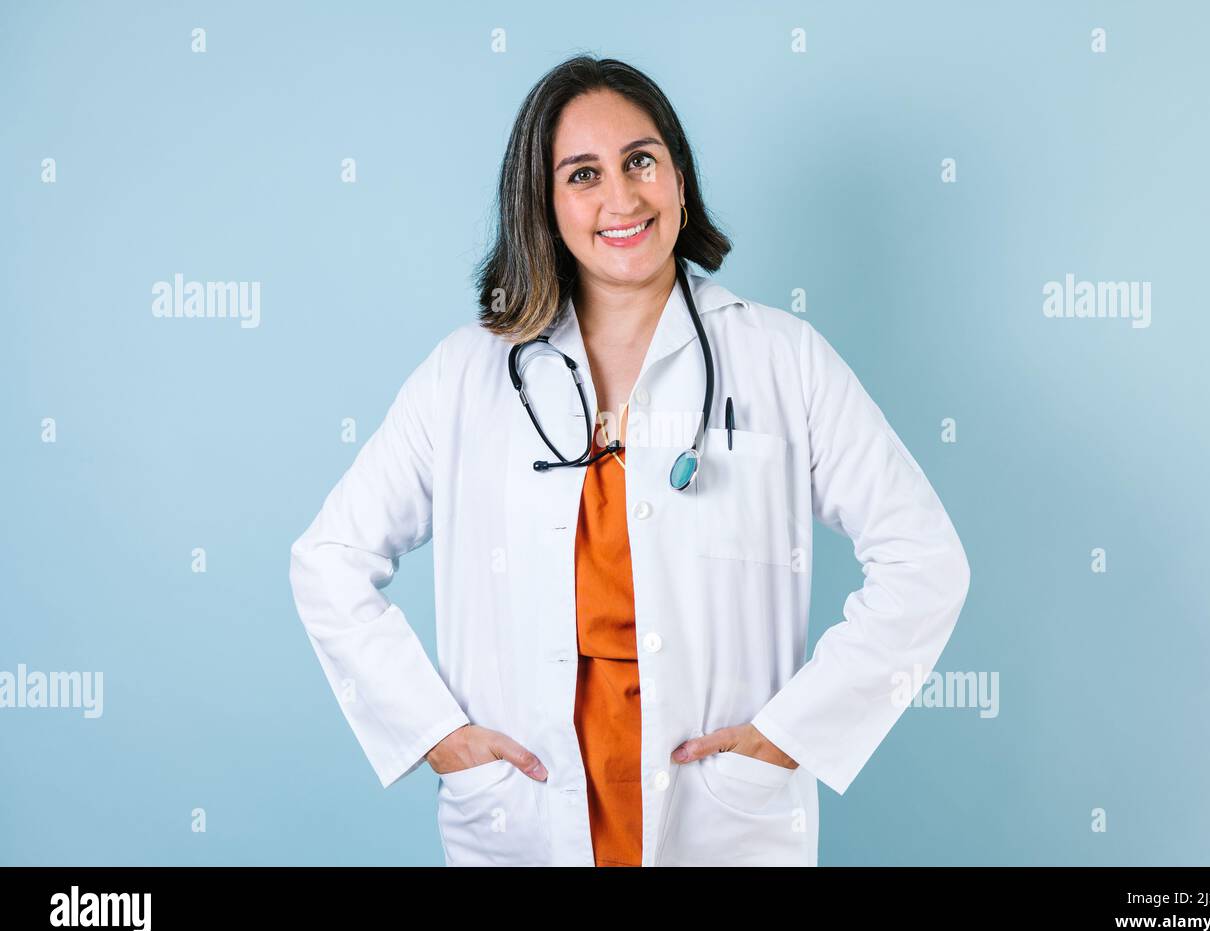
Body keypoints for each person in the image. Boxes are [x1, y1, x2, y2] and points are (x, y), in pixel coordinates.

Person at [288, 54, 970, 867]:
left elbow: (924, 563)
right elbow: (328, 562)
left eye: (640, 161)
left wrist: (790, 736)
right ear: (543, 206)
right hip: (524, 815)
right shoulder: (465, 374)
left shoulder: (783, 359)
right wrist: (433, 733)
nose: (622, 197)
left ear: (679, 178)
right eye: (582, 174)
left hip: (723, 812)